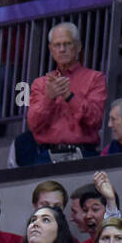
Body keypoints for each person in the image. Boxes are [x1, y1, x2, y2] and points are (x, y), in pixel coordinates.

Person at [26, 22, 107, 160]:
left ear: (78, 47)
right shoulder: (40, 83)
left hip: (84, 154)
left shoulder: (95, 78)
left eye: (67, 44)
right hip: (46, 156)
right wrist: (48, 98)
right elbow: (33, 124)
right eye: (57, 45)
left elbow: (95, 120)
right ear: (51, 50)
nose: (62, 49)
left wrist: (70, 96)